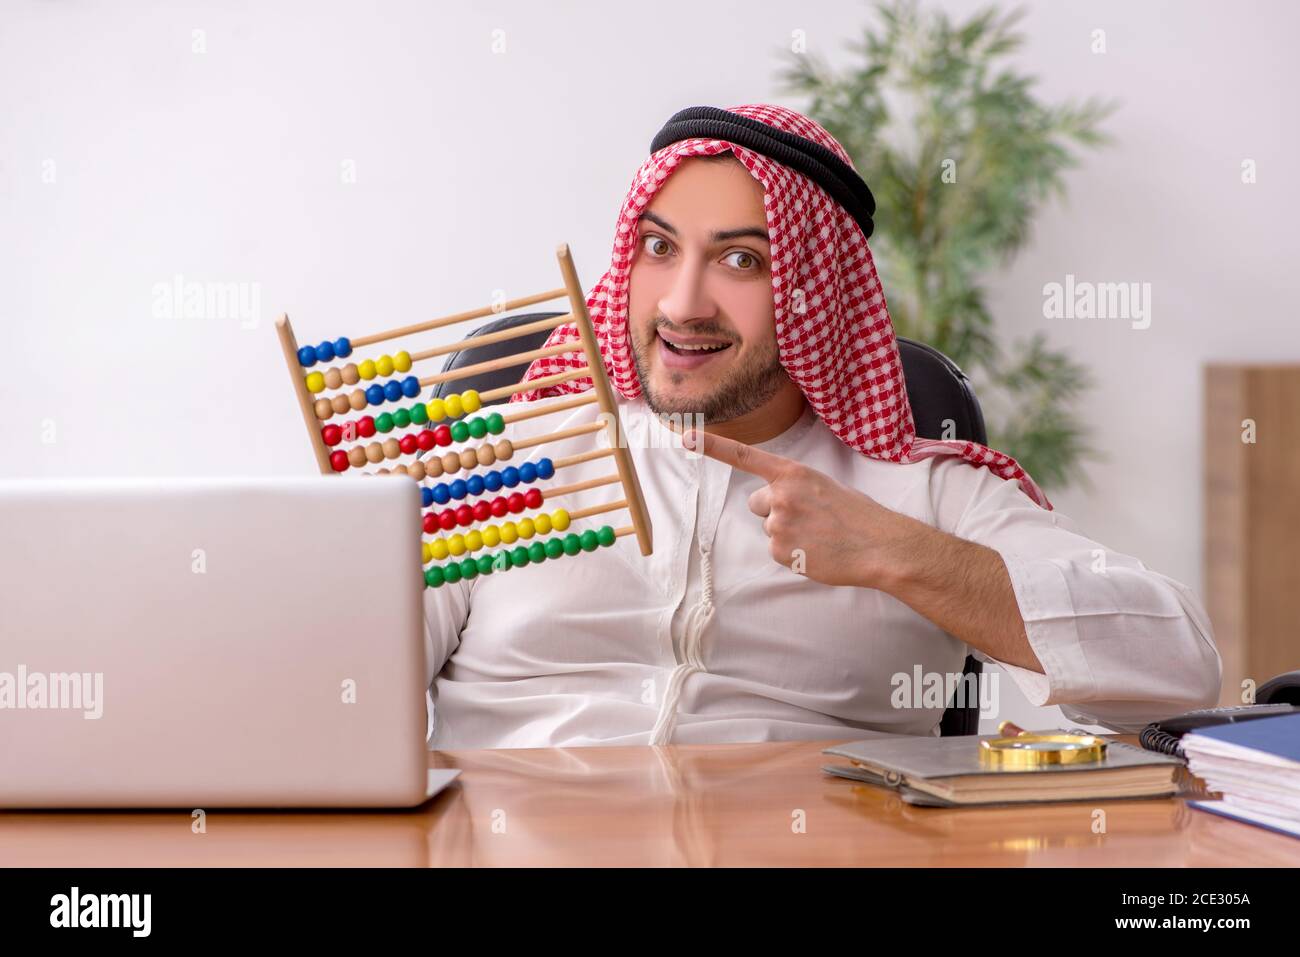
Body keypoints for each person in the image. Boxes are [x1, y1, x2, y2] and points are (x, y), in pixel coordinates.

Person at [421, 104, 1220, 749]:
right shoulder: (508, 458)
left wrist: (897, 552)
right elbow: (330, 680)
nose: (681, 303)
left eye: (741, 262)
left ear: (817, 295)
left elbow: (1179, 665)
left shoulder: (924, 491)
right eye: (660, 248)